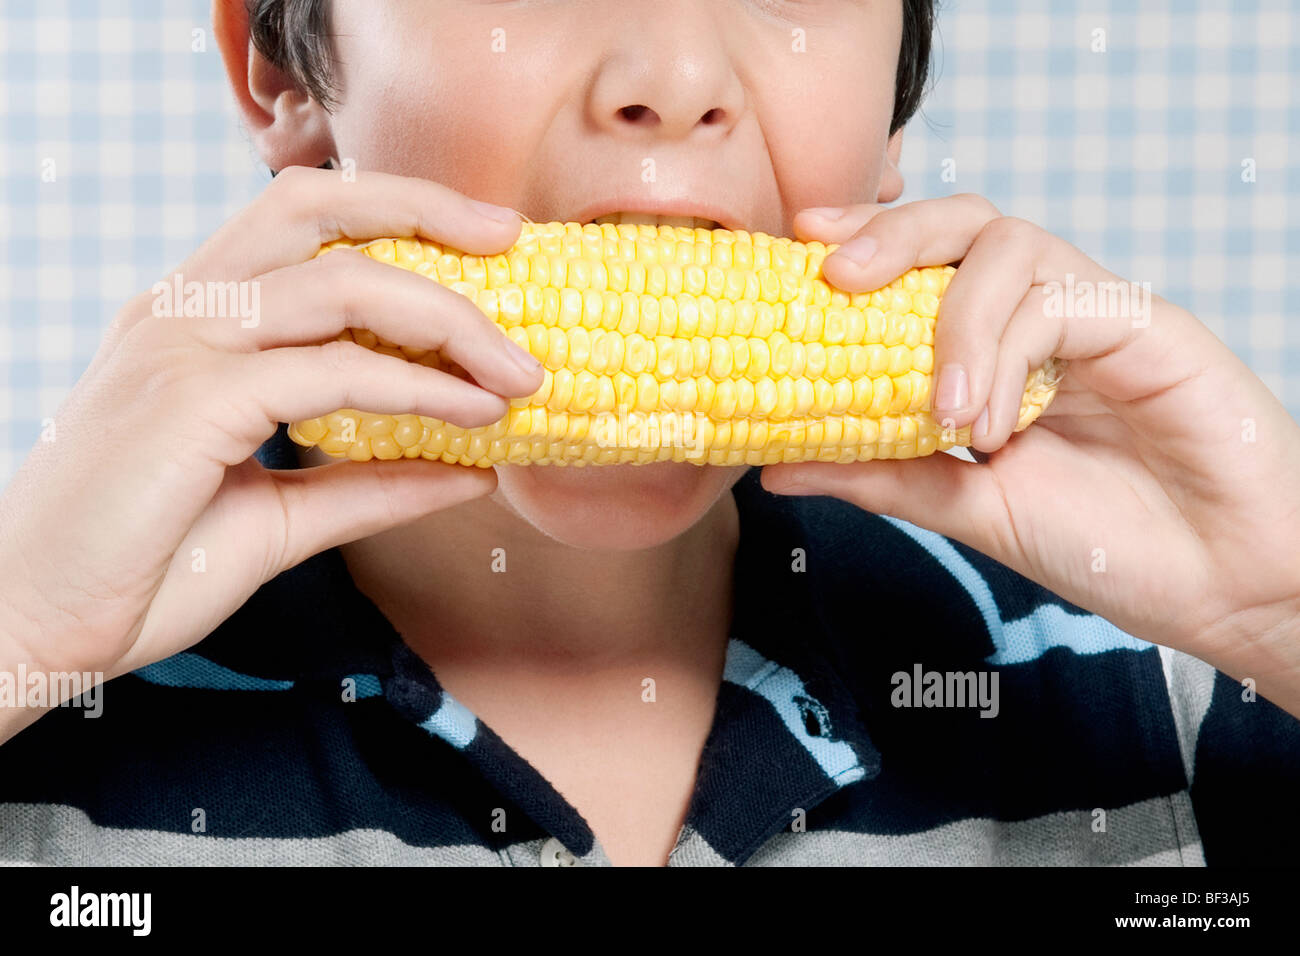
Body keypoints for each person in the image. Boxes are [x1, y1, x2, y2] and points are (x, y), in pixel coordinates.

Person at [1, 0, 1296, 867]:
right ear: (282, 69)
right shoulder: (46, 694)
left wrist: (1280, 615)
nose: (671, 84)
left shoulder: (1162, 685)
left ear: (898, 100)